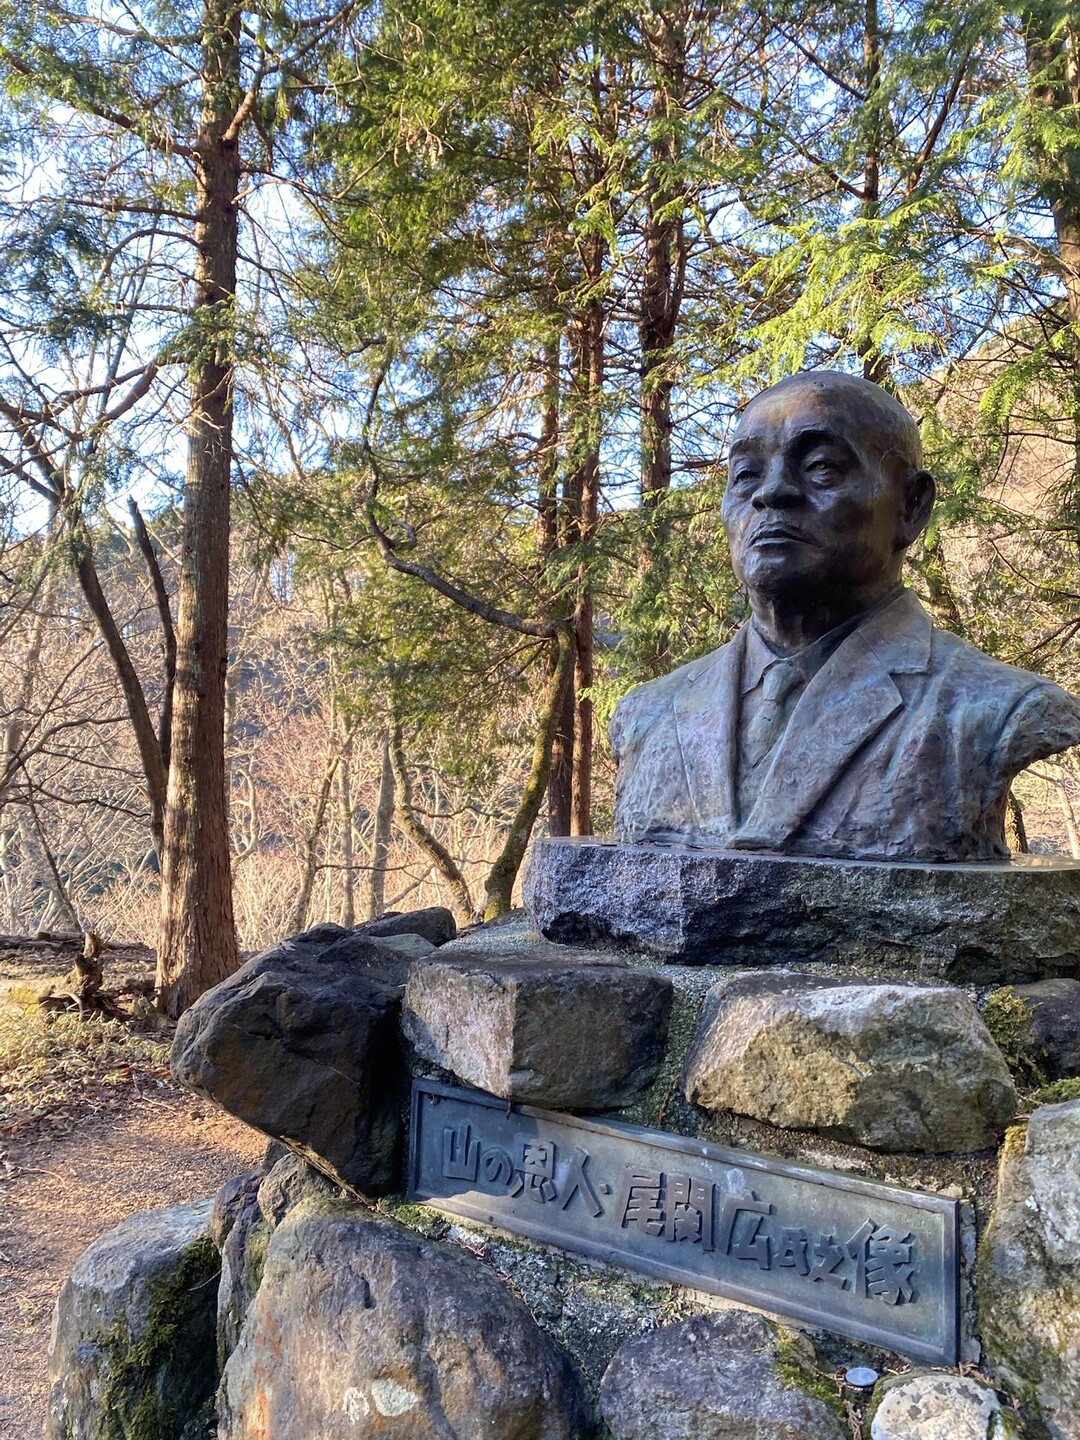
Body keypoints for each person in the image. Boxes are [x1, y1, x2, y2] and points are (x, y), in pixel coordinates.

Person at [611, 370, 1080, 861]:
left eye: (821, 468)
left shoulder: (997, 708)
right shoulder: (648, 714)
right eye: (746, 473)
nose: (770, 493)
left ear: (911, 506)